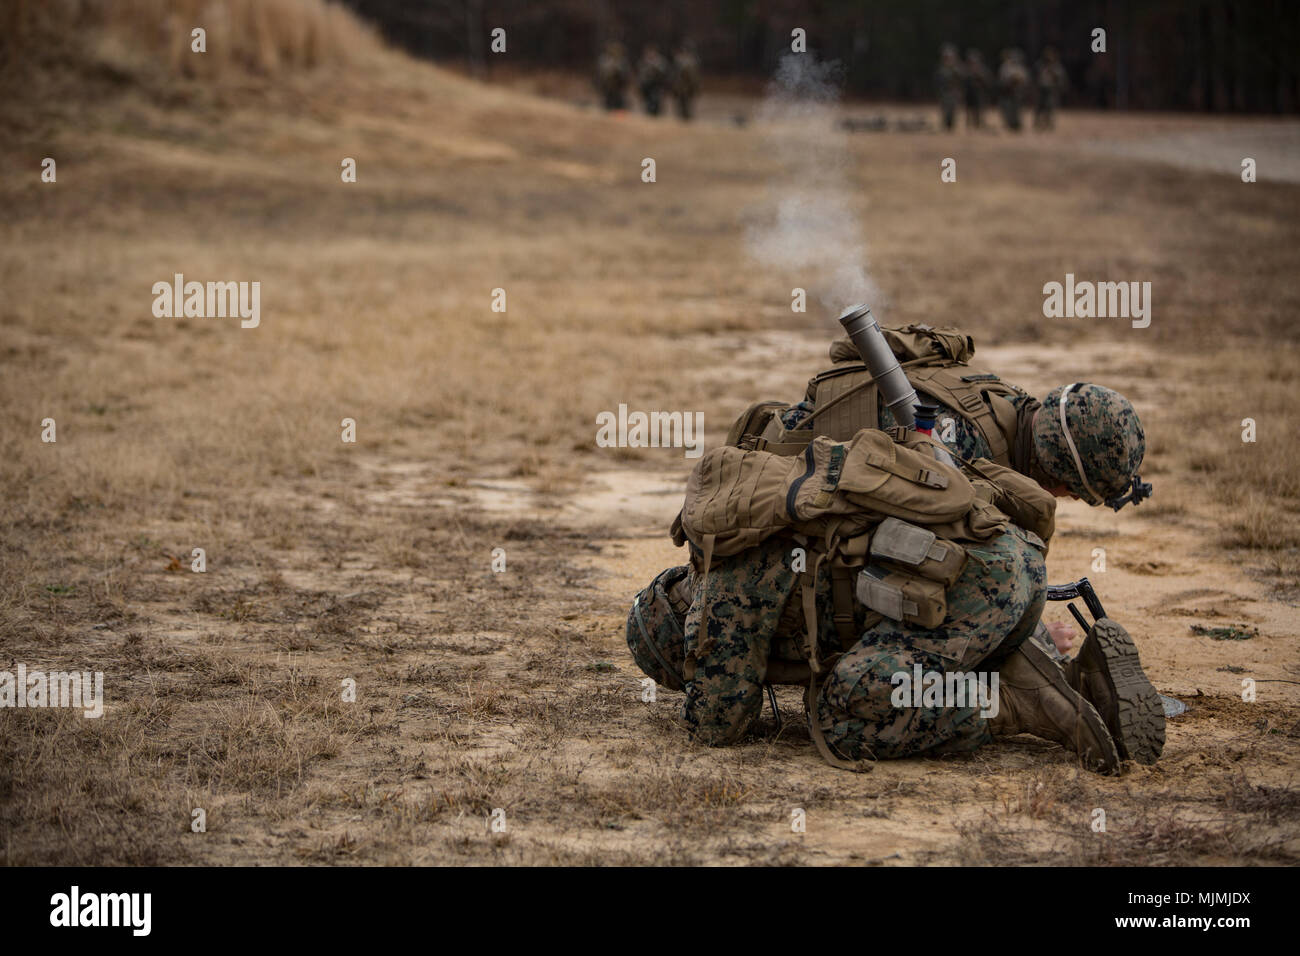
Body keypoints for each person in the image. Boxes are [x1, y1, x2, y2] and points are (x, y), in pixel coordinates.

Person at [1034, 47, 1068, 129]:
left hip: (1051, 89)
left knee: (1050, 106)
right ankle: (1038, 123)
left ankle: (1049, 123)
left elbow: (1060, 79)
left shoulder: (1056, 67)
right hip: (1042, 88)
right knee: (1040, 107)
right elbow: (1036, 77)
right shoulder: (1040, 65)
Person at [998, 48, 1029, 131]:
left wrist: (1018, 81)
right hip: (1008, 93)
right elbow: (1003, 79)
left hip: (1018, 92)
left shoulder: (1021, 68)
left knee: (1018, 110)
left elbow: (1025, 79)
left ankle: (1017, 124)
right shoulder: (1006, 67)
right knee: (1008, 109)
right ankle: (1010, 124)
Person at [934, 43, 964, 132]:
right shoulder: (942, 69)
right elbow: (938, 81)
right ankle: (946, 126)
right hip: (944, 93)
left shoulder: (957, 68)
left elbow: (961, 80)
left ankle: (951, 126)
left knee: (953, 110)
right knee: (945, 110)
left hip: (953, 92)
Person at [594, 41, 630, 111]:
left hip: (619, 87)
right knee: (608, 104)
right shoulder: (604, 60)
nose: (615, 52)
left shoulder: (622, 61)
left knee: (618, 105)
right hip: (607, 86)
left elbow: (625, 75)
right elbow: (600, 74)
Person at [637, 44, 670, 116]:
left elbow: (664, 73)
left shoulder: (660, 61)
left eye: (652, 52)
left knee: (657, 100)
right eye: (649, 52)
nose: (651, 54)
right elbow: (641, 75)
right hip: (647, 85)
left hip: (657, 85)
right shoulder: (644, 61)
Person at [963, 49, 992, 129]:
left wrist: (979, 77)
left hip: (979, 94)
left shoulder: (983, 70)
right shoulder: (966, 70)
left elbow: (987, 81)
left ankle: (979, 124)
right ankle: (969, 124)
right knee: (969, 109)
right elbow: (963, 81)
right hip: (969, 93)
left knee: (980, 109)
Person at [670, 45, 700, 120]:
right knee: (680, 106)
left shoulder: (690, 63)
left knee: (687, 106)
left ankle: (687, 119)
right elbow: (675, 77)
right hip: (681, 88)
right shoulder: (678, 62)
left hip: (687, 88)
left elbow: (693, 78)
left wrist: (694, 87)